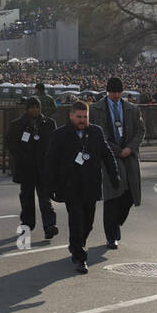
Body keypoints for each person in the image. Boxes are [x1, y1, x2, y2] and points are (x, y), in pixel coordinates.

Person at [45, 100, 119, 274]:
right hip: (70, 186)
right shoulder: (60, 135)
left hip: (91, 185)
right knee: (76, 221)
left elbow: (107, 155)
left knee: (88, 223)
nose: (82, 120)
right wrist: (49, 187)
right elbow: (51, 162)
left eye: (84, 117)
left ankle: (76, 244)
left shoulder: (95, 132)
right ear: (71, 116)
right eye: (78, 117)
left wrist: (114, 175)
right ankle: (80, 256)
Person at [89, 77, 144, 249]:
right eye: (112, 92)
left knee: (128, 195)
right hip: (109, 156)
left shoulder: (132, 109)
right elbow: (98, 132)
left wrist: (130, 148)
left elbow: (140, 131)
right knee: (112, 196)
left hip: (129, 156)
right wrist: (116, 149)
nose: (115, 95)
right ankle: (111, 235)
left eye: (118, 92)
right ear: (107, 91)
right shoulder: (96, 109)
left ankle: (117, 222)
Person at [5, 96, 57, 240]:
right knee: (26, 198)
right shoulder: (17, 125)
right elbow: (11, 143)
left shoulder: (49, 123)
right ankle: (27, 224)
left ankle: (49, 226)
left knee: (45, 199)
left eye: (37, 107)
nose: (35, 110)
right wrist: (21, 157)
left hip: (43, 168)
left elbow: (55, 144)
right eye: (32, 107)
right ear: (27, 109)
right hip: (26, 167)